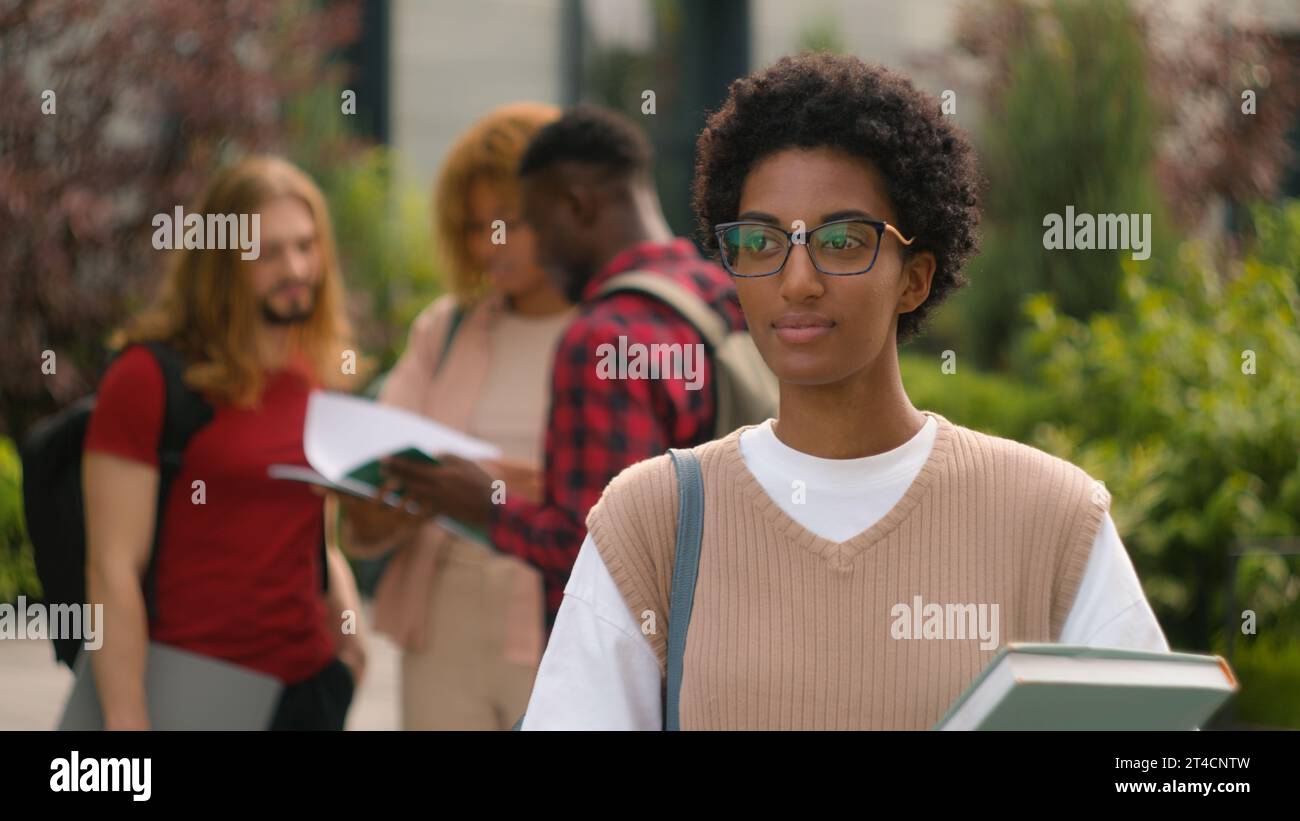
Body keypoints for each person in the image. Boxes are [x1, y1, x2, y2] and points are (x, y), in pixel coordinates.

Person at [520, 53, 1170, 730]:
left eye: (840, 239)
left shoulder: (1051, 519)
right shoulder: (652, 522)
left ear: (915, 277)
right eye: (761, 240)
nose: (797, 279)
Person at [380, 106, 749, 629]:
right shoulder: (721, 295)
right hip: (721, 627)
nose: (536, 250)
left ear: (576, 206)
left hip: (628, 669)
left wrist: (486, 506)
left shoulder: (600, 336)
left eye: (533, 223)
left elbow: (599, 553)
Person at [83, 156, 366, 731]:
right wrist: (125, 718)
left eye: (306, 245)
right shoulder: (147, 378)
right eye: (268, 253)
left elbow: (316, 529)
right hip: (190, 690)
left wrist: (351, 641)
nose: (296, 268)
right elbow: (111, 569)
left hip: (306, 690)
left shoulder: (314, 370)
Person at [338, 102, 574, 730]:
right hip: (442, 620)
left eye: (508, 220)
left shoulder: (614, 330)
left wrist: (488, 488)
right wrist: (371, 493)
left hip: (560, 616)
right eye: (474, 226)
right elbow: (374, 481)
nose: (488, 243)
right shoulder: (447, 329)